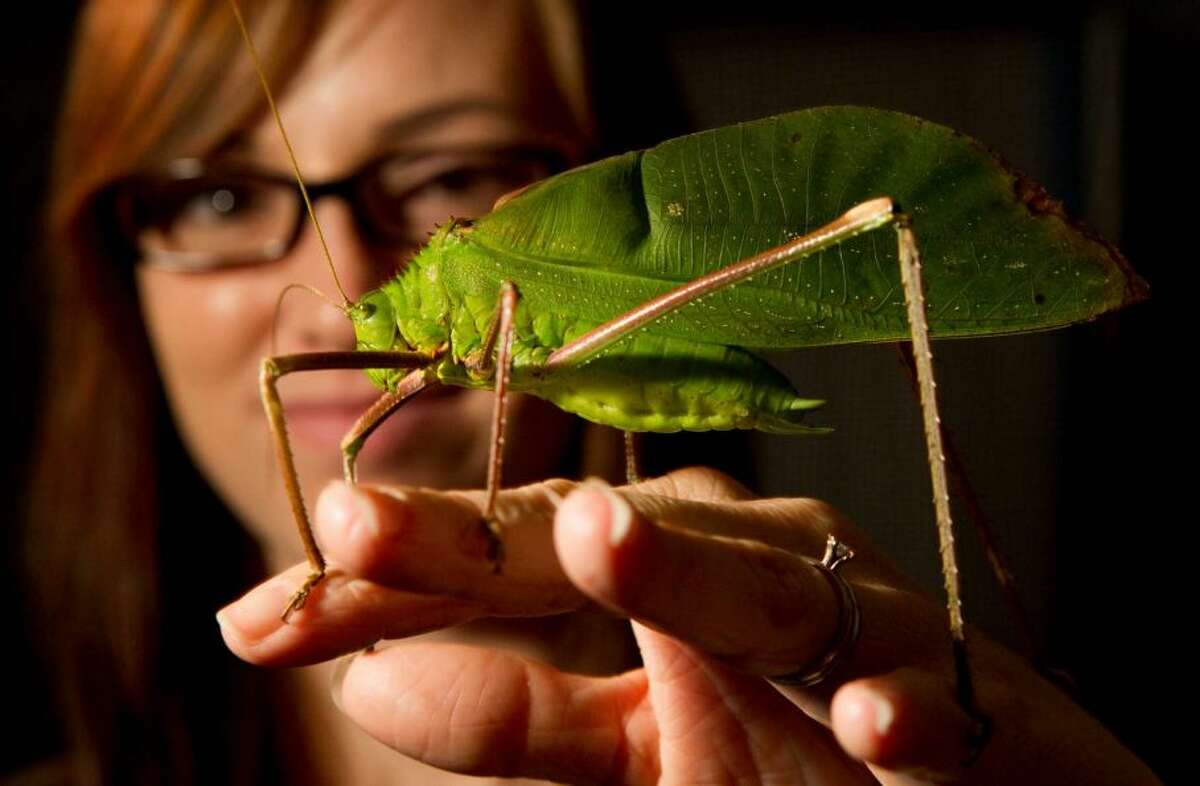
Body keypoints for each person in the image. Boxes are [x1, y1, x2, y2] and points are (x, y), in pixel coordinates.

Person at [23, 1, 1160, 784]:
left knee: (884, 228)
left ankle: (982, 623)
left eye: (453, 171)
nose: (341, 294)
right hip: (587, 361)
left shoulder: (484, 289)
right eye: (217, 199)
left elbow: (515, 322)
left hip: (638, 318)